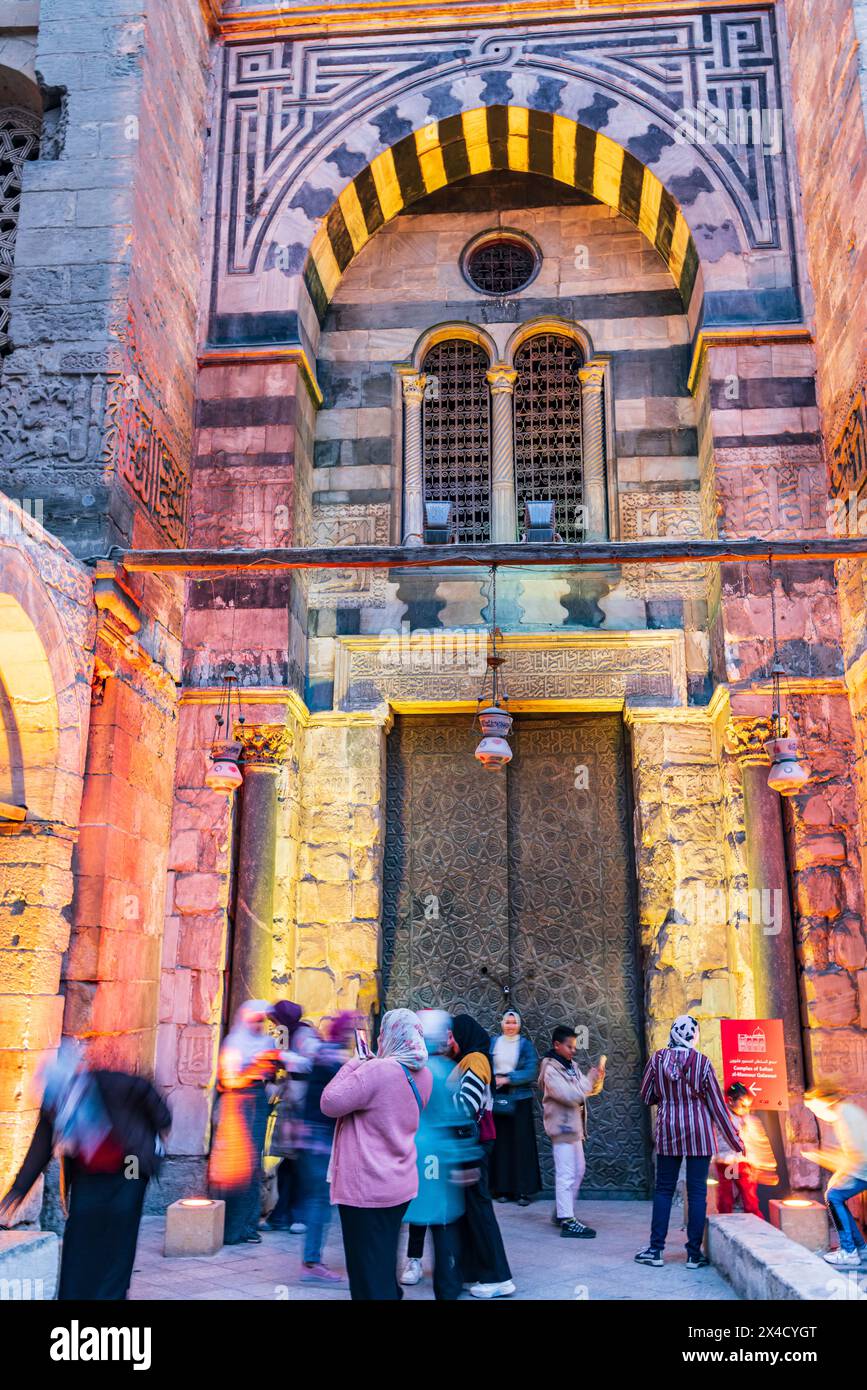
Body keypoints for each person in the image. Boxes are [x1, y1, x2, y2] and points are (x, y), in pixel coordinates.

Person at [0, 1041, 171, 1299]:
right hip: (89, 1169)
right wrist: (18, 1189)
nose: (57, 1106)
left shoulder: (109, 1084)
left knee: (122, 1219)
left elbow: (149, 1096)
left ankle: (112, 1293)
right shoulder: (55, 1105)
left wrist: (157, 1127)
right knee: (81, 1225)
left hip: (130, 1161)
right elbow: (41, 1145)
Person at [320, 1007, 432, 1300]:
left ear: (390, 1035)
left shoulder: (377, 1070)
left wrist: (353, 1064)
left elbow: (329, 1102)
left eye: (382, 1033)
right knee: (381, 1262)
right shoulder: (425, 1075)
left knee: (366, 1272)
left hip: (366, 1186)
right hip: (399, 1182)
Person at [635, 1014, 743, 1269]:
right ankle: (694, 1254)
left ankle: (656, 1250)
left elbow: (646, 1094)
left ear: (673, 1032)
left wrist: (664, 1098)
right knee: (697, 1193)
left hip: (669, 1129)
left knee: (663, 1190)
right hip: (699, 1131)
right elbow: (717, 1105)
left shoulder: (657, 1060)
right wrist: (735, 1140)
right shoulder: (703, 1063)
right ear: (694, 1035)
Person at [400, 1010, 471, 1299]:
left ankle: (410, 1266)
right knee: (442, 1222)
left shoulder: (406, 1070)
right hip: (440, 1155)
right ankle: (448, 1283)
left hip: (409, 1152)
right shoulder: (443, 1071)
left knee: (413, 1215)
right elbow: (455, 1118)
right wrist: (466, 1155)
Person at [448, 1013, 515, 1299]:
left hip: (472, 1145)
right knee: (470, 1210)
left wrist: (438, 1101)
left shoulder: (474, 1060)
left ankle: (498, 1276)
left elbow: (466, 1104)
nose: (448, 1041)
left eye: (452, 1036)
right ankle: (473, 1270)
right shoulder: (468, 1060)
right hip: (469, 1145)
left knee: (479, 1209)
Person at [209, 999, 282, 1244]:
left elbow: (271, 1071)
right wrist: (255, 1067)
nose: (258, 1025)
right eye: (255, 1020)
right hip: (238, 1105)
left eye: (261, 1021)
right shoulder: (235, 1044)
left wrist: (268, 1074)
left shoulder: (264, 1041)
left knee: (252, 1167)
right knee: (235, 1168)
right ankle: (230, 1229)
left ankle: (248, 1226)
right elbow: (229, 1081)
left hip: (257, 1104)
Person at [294, 1011, 356, 1284]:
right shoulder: (331, 1057)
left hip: (314, 1138)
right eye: (353, 1027)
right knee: (320, 1200)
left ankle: (312, 1259)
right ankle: (311, 1262)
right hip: (318, 1141)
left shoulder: (327, 1053)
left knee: (319, 1199)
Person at [538, 1024, 605, 1237]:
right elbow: (571, 1095)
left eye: (574, 1046)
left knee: (578, 1170)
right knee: (567, 1173)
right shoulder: (550, 1070)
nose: (573, 1050)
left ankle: (562, 1210)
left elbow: (585, 1091)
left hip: (574, 1127)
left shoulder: (570, 1065)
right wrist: (589, 1080)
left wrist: (597, 1078)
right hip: (561, 1127)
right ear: (557, 1045)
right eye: (569, 1046)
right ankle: (567, 1220)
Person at [264, 999, 319, 1233]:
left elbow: (310, 1065)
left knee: (298, 1163)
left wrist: (284, 1058)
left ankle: (299, 1215)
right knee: (289, 1162)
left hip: (303, 1106)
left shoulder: (305, 1035)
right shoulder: (288, 1034)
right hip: (292, 1105)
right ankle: (281, 1215)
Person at [802, 1085, 867, 1267]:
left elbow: (859, 1153)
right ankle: (860, 1248)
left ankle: (849, 1252)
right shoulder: (846, 1112)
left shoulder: (845, 1117)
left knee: (833, 1196)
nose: (816, 1113)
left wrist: (841, 1174)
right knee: (835, 1194)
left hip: (863, 1168)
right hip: (862, 1167)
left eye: (814, 1108)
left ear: (824, 1103)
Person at [489, 1009, 541, 1206]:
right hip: (499, 1099)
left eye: (514, 1022)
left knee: (521, 1146)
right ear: (502, 1024)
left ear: (519, 1025)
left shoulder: (525, 1045)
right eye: (507, 1022)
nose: (510, 1026)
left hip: (519, 1100)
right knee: (501, 1145)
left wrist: (509, 1078)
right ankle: (502, 1189)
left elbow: (530, 1070)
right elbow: (487, 1063)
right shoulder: (494, 1043)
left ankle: (523, 1191)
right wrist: (494, 1079)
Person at [713, 1082, 777, 1218]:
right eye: (742, 1104)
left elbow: (760, 1141)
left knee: (750, 1197)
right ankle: (726, 1222)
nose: (746, 1108)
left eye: (748, 1105)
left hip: (745, 1163)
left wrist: (765, 1165)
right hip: (728, 1163)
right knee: (726, 1196)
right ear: (730, 1101)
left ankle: (756, 1224)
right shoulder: (722, 1119)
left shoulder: (749, 1119)